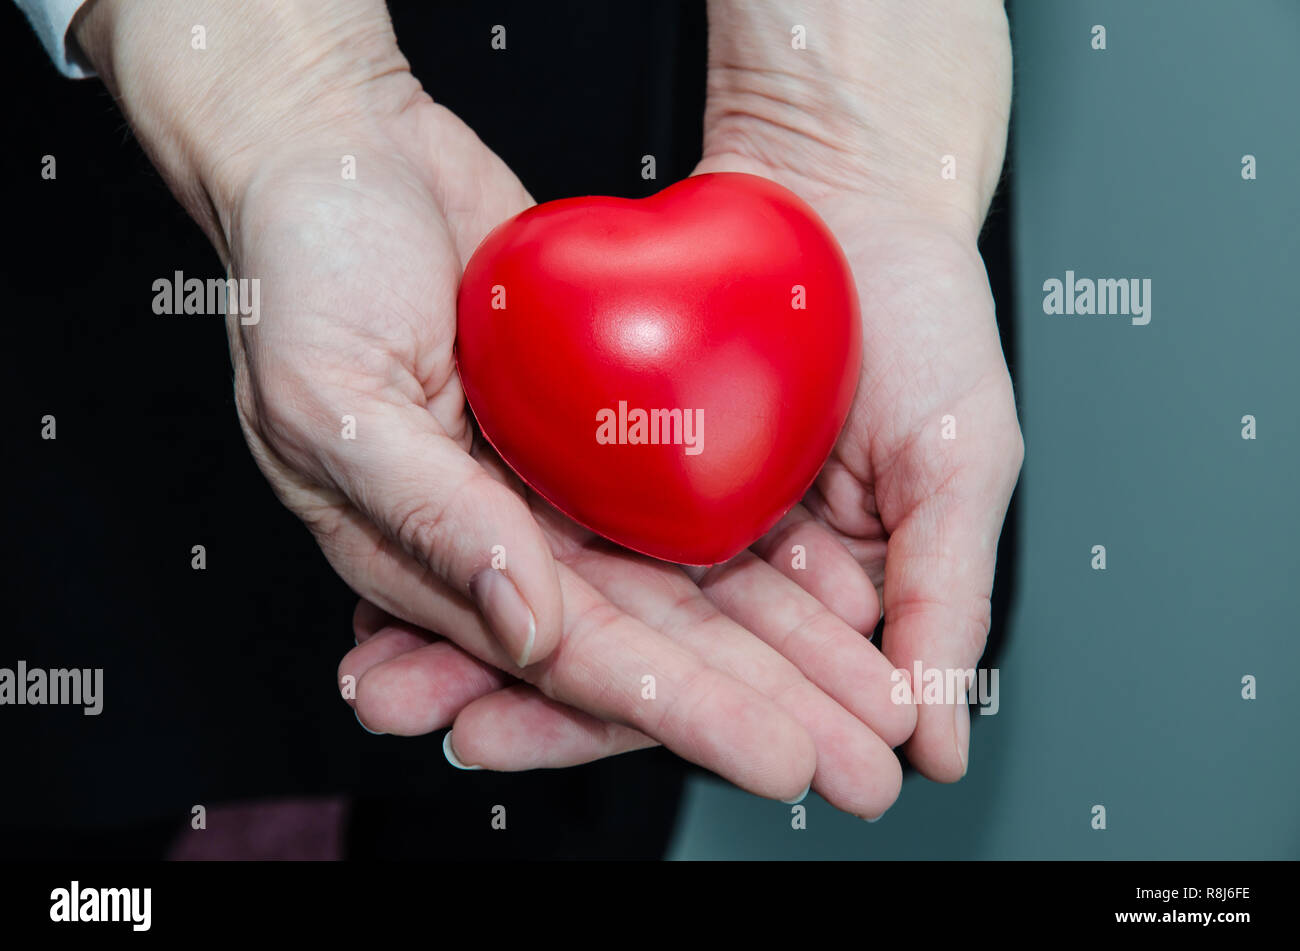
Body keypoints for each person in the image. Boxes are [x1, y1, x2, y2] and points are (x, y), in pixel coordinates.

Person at [18, 0, 1021, 827]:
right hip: (140, 302)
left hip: (668, 123)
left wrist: (853, 92)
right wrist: (280, 83)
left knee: (585, 780)